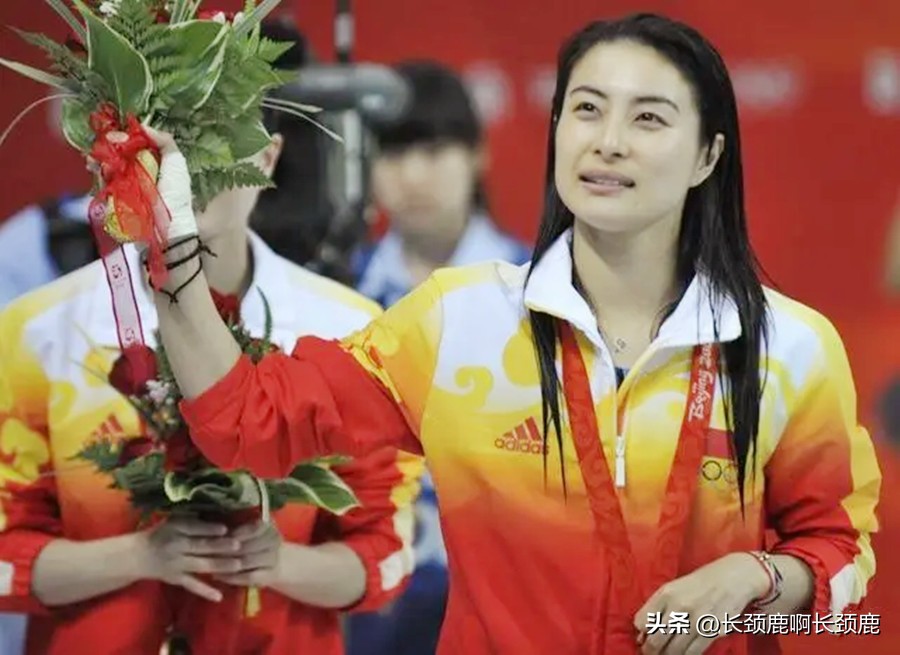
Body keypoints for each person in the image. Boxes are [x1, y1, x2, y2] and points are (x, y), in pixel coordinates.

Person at [146, 13, 880, 655]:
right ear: (557, 128)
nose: (610, 142)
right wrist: (178, 253)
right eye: (587, 109)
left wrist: (760, 575)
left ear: (708, 157)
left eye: (649, 118)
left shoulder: (790, 347)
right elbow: (247, 420)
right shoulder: (457, 320)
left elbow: (843, 563)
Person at [0, 45, 422, 655]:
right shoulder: (37, 329)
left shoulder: (351, 329)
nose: (192, 166)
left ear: (268, 156)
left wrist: (277, 564)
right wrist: (141, 554)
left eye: (220, 134)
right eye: (173, 137)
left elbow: (385, 555)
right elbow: (7, 553)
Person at [347, 60, 529, 655]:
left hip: (510, 604)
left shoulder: (542, 288)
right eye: (394, 154)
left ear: (478, 155)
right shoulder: (338, 293)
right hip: (371, 605)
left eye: (435, 150)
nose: (414, 175)